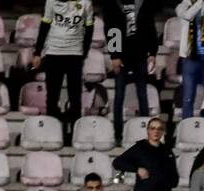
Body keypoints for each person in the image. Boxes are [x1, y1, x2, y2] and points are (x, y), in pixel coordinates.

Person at [33, 1, 95, 133]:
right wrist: (37, 52)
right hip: (53, 54)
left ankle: (75, 133)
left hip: (75, 55)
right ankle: (52, 132)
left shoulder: (85, 3)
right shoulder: (51, 1)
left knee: (75, 97)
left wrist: (84, 52)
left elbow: (89, 29)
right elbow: (44, 25)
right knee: (52, 97)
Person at [104, 0, 156, 138]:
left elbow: (150, 27)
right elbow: (110, 28)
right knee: (119, 94)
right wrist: (114, 55)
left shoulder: (143, 3)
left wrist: (152, 53)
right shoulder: (113, 3)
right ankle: (118, 133)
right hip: (121, 55)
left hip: (140, 55)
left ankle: (145, 133)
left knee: (142, 93)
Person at [114, 117, 179, 191]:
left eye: (159, 129)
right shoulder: (140, 148)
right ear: (148, 130)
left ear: (163, 132)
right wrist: (137, 169)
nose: (156, 131)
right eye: (153, 128)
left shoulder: (167, 151)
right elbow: (117, 162)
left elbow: (174, 179)